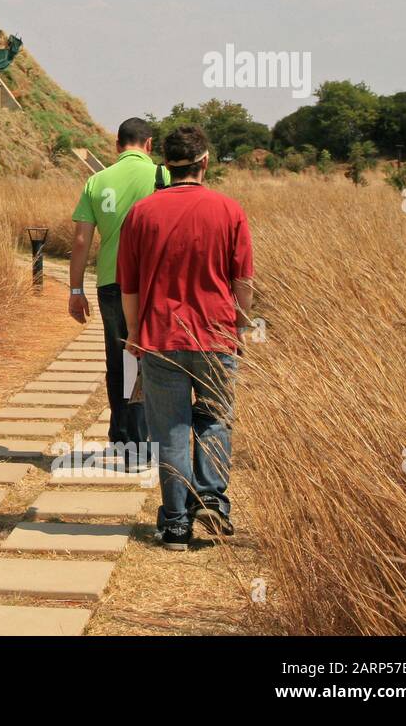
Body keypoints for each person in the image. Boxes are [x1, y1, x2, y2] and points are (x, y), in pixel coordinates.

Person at [117, 125, 254, 550]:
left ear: (164, 165)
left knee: (171, 430)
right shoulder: (229, 210)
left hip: (160, 337)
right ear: (205, 162)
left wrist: (135, 334)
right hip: (215, 334)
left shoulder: (141, 214)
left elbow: (130, 287)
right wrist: (240, 326)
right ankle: (212, 500)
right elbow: (243, 280)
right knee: (214, 420)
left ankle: (175, 523)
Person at [68, 117, 167, 445]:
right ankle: (147, 434)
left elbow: (81, 241)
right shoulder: (163, 176)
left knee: (120, 357)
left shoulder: (97, 181)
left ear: (117, 145)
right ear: (149, 144)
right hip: (155, 282)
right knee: (153, 357)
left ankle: (124, 433)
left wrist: (76, 289)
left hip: (111, 282)